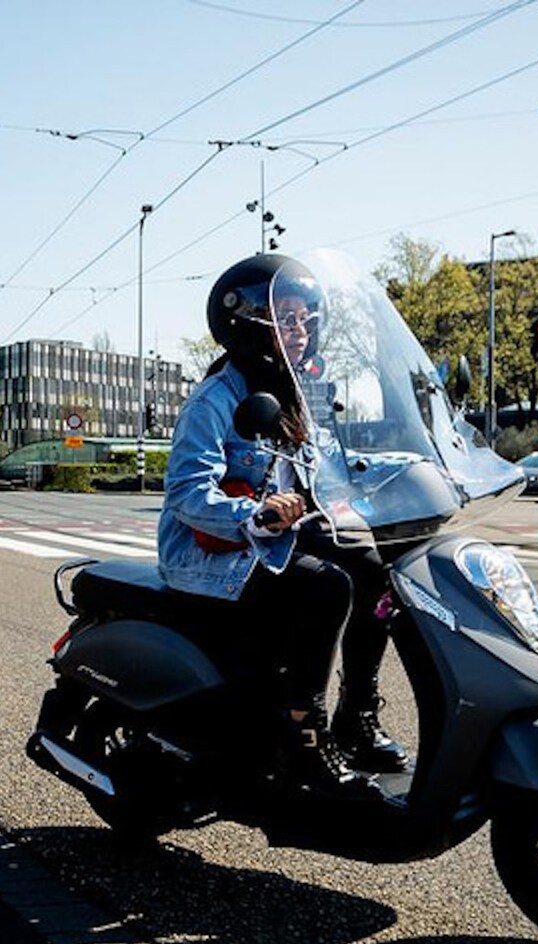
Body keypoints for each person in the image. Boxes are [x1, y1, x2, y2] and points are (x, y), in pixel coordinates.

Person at [156, 253, 402, 799]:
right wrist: (259, 513)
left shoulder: (293, 392)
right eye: (285, 317)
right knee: (326, 586)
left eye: (306, 318)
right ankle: (303, 740)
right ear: (246, 324)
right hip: (215, 553)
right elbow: (186, 494)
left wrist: (413, 471)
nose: (300, 329)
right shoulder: (216, 398)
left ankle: (355, 716)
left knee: (374, 569)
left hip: (270, 540)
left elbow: (333, 467)